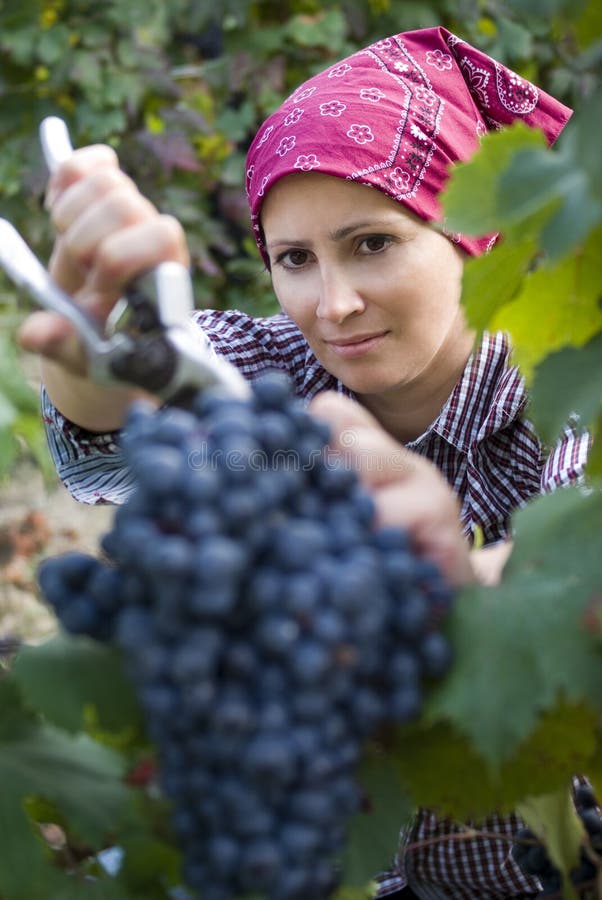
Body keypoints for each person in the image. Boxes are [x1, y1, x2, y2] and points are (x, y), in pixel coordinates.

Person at [20, 24, 589, 898]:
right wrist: (83, 347)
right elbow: (114, 423)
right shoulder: (276, 378)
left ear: (479, 239)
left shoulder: (575, 404)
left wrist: (446, 588)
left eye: (373, 242)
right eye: (294, 259)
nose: (334, 304)